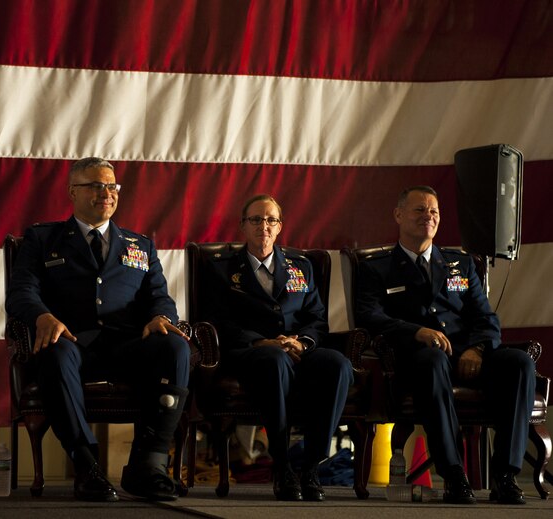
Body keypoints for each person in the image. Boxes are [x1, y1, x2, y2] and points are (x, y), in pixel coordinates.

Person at [5, 157, 191, 502]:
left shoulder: (140, 245)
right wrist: (42, 316)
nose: (106, 193)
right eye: (95, 186)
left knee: (175, 347)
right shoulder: (43, 239)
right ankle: (86, 464)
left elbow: (159, 297)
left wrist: (160, 317)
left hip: (126, 346)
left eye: (111, 186)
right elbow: (21, 292)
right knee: (55, 351)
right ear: (72, 192)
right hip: (71, 344)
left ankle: (148, 465)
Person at [354, 185, 535, 505]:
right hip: (416, 360)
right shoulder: (376, 266)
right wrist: (415, 331)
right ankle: (454, 474)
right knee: (433, 361)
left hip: (467, 354)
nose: (429, 216)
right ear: (398, 215)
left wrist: (478, 349)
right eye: (419, 210)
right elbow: (369, 316)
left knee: (519, 363)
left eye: (434, 211)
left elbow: (486, 318)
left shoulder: (460, 264)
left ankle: (505, 476)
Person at [203, 194, 354, 501]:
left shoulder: (302, 267)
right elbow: (217, 320)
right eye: (256, 219)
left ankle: (311, 465)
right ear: (243, 226)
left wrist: (302, 341)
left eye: (271, 220)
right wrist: (260, 341)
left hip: (298, 350)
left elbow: (316, 319)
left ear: (280, 226)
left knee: (338, 364)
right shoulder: (220, 268)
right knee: (274, 360)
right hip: (250, 354)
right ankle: (283, 465)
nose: (264, 226)